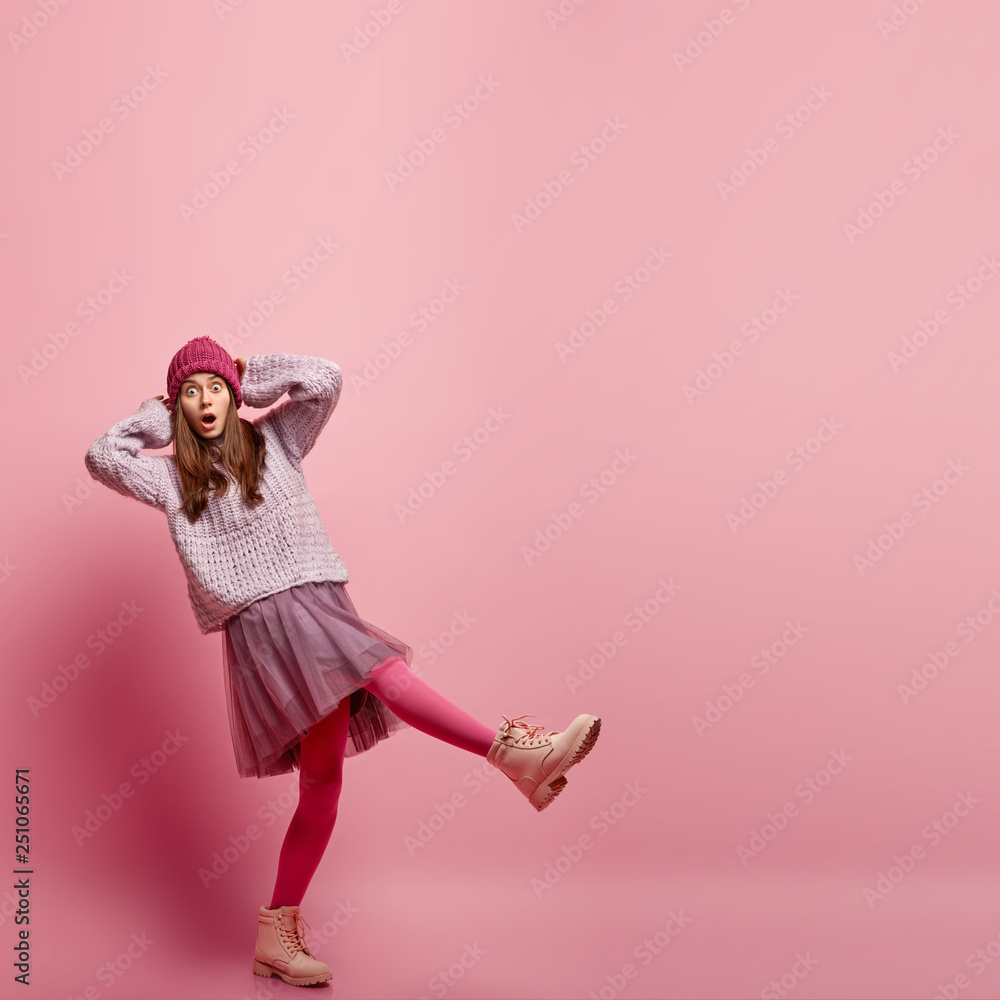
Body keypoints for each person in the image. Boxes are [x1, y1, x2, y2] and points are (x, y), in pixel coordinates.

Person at [83, 336, 602, 988]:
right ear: (176, 406)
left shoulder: (279, 443)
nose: (205, 400)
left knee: (323, 784)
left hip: (319, 596)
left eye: (215, 388)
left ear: (235, 392)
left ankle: (276, 933)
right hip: (268, 624)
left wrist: (241, 379)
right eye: (191, 392)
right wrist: (160, 413)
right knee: (382, 673)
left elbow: (323, 378)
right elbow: (103, 456)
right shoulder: (170, 476)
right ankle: (514, 753)